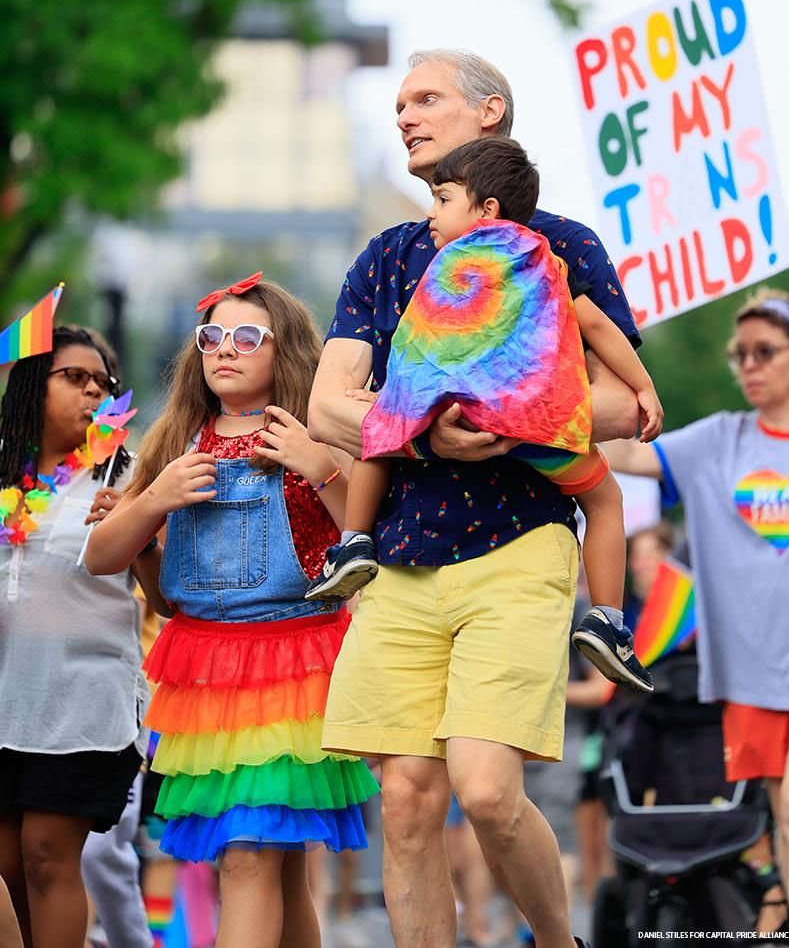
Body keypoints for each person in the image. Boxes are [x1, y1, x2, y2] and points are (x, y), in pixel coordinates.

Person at [308, 48, 645, 948]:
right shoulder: (387, 255)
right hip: (398, 552)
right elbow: (326, 403)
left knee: (489, 792)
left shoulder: (562, 244)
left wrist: (496, 402)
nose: (404, 115)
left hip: (518, 540)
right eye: (399, 102)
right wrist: (425, 427)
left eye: (425, 98)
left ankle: (559, 941)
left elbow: (627, 403)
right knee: (408, 801)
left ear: (490, 113)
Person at [305, 136, 662, 692]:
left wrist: (408, 407)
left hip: (436, 410)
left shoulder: (433, 263)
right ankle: (608, 620)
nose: (431, 212)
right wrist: (644, 387)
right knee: (605, 497)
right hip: (525, 423)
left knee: (383, 428)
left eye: (443, 199)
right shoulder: (544, 259)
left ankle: (352, 543)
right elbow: (592, 324)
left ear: (484, 209)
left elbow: (407, 348)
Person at [86, 275, 379, 948]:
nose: (226, 349)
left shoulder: (316, 435)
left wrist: (321, 467)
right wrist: (154, 498)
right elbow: (103, 556)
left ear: (285, 350)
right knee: (270, 870)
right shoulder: (177, 439)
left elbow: (369, 541)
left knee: (251, 856)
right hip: (206, 674)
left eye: (248, 336)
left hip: (295, 663)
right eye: (211, 336)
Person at [602, 287, 789, 938]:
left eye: (764, 351)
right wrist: (569, 394)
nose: (748, 365)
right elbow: (624, 456)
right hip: (749, 674)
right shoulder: (718, 441)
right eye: (738, 353)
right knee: (783, 819)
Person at [0, 326, 152, 948]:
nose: (92, 391)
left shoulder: (128, 473)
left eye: (102, 383)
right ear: (33, 384)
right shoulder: (5, 473)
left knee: (46, 854)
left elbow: (165, 595)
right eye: (74, 377)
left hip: (83, 700)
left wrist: (138, 521)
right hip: (10, 697)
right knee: (8, 869)